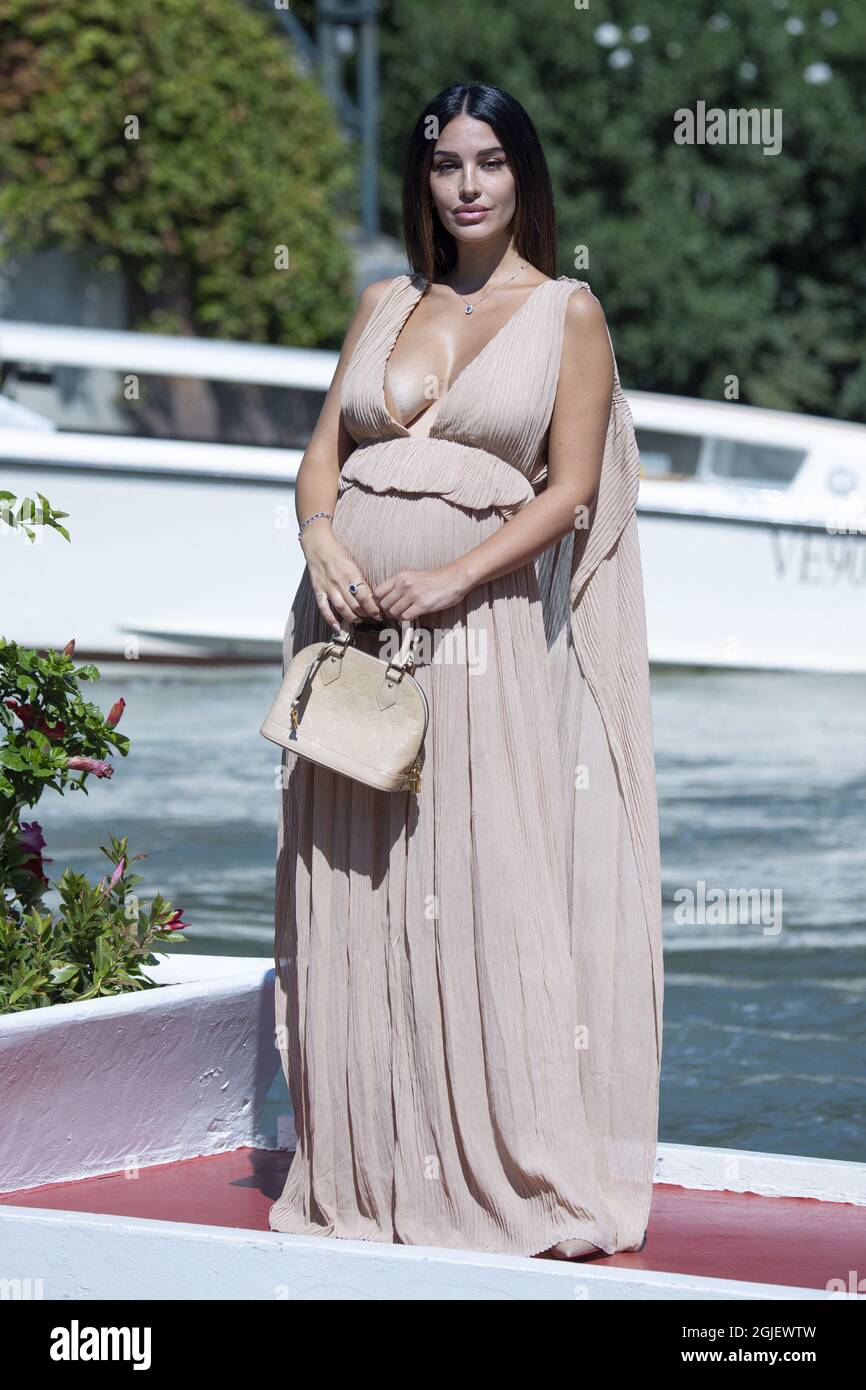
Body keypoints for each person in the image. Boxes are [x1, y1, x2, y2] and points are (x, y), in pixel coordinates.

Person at [269, 80, 663, 1262]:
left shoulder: (566, 314)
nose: (469, 184)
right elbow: (319, 462)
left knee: (476, 878)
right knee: (348, 887)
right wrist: (324, 544)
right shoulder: (384, 301)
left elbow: (570, 492)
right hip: (344, 633)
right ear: (424, 181)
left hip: (476, 635)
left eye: (490, 162)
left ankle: (493, 1160)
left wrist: (449, 579)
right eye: (447, 164)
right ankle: (360, 1163)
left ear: (522, 176)